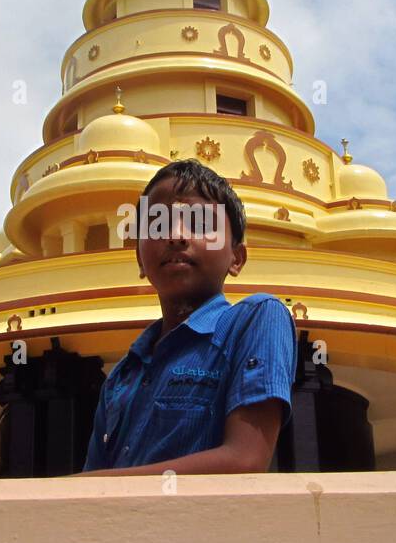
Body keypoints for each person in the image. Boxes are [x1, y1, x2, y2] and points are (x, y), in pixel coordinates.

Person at [76, 159, 298, 476]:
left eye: (199, 223)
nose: (177, 236)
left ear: (237, 257)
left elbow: (245, 459)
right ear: (139, 258)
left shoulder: (256, 319)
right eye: (158, 224)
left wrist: (88, 484)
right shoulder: (124, 374)